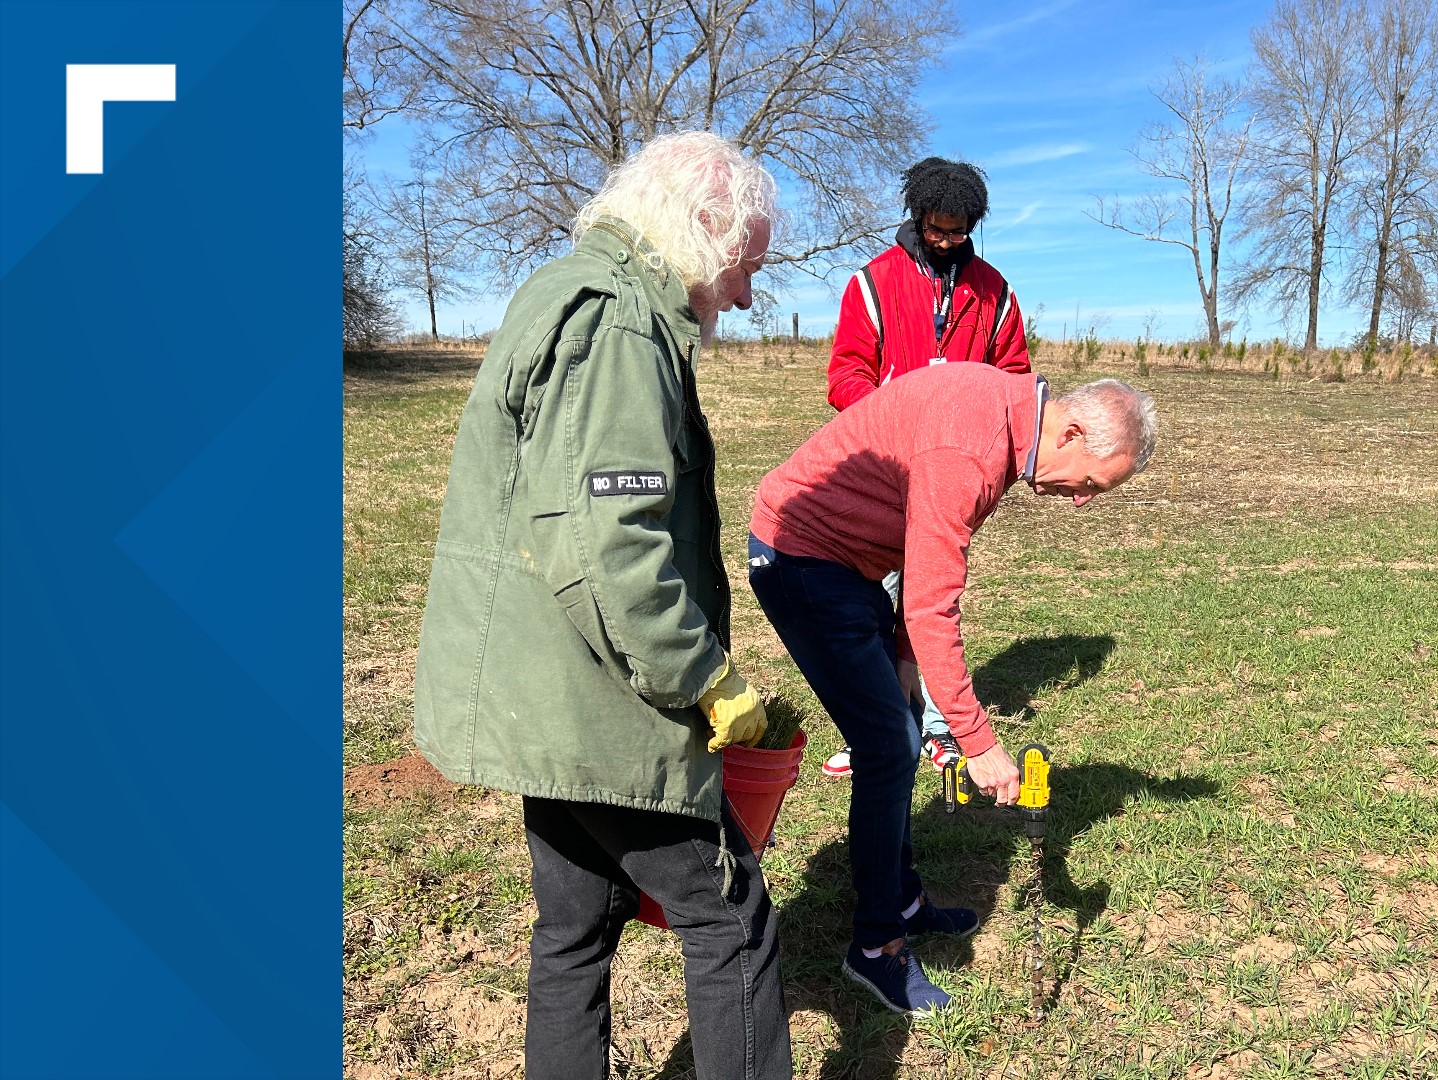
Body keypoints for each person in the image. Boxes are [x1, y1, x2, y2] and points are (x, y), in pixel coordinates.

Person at [412, 131, 790, 1080]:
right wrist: (705, 678)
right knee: (730, 920)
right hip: (595, 697)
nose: (743, 296)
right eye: (745, 268)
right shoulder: (621, 323)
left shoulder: (564, 289)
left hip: (545, 691)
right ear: (704, 230)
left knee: (574, 927)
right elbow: (610, 544)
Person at [746, 364, 1157, 1015]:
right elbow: (934, 604)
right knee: (889, 746)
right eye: (1088, 484)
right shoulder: (973, 447)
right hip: (801, 554)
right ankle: (875, 949)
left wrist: (907, 658)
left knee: (899, 727)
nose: (1079, 500)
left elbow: (919, 546)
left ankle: (901, 899)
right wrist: (978, 741)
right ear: (1071, 431)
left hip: (849, 562)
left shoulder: (1004, 418)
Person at [819, 156, 1034, 779]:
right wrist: (899, 418)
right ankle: (876, 727)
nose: (945, 240)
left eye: (958, 231)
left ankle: (938, 729)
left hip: (951, 474)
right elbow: (846, 374)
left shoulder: (996, 292)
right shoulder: (872, 283)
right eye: (936, 229)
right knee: (874, 603)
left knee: (931, 597)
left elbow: (1015, 379)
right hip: (882, 473)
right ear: (917, 216)